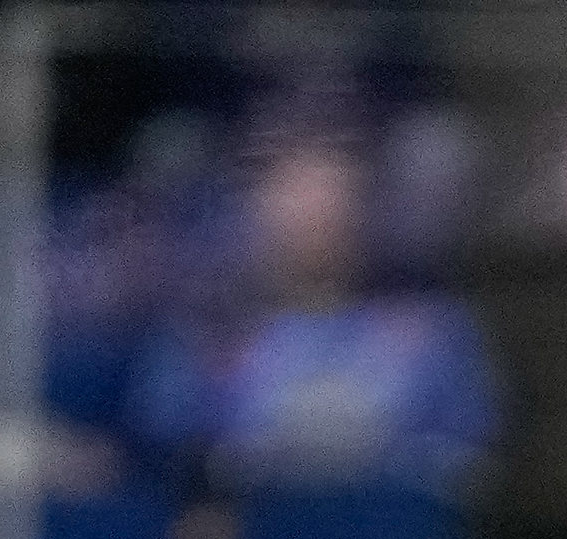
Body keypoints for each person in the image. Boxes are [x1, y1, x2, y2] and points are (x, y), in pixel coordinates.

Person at [135, 137, 495, 496]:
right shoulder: (206, 338)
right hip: (254, 535)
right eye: (298, 202)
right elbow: (164, 452)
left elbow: (469, 452)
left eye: (335, 202)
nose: (318, 219)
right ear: (258, 215)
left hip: (387, 533)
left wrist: (383, 459)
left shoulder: (431, 330)